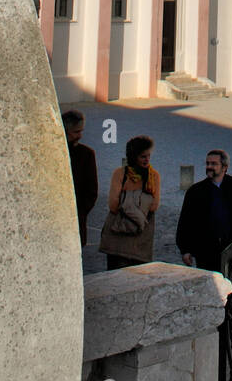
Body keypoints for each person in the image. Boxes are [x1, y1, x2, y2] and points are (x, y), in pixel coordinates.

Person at [176, 149, 232, 272]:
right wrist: (185, 250)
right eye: (207, 163)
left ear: (224, 167)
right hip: (206, 250)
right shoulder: (195, 191)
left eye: (213, 164)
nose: (209, 167)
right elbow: (185, 222)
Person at [99, 135, 160, 270]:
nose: (147, 160)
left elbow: (154, 206)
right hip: (122, 236)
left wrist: (127, 200)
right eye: (143, 156)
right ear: (133, 156)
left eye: (148, 156)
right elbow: (112, 205)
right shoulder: (121, 174)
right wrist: (140, 203)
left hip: (139, 237)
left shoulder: (153, 176)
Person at [62, 109, 98, 247]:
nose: (80, 135)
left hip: (76, 221)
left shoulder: (87, 154)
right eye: (76, 132)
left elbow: (91, 192)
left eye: (81, 131)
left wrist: (79, 214)